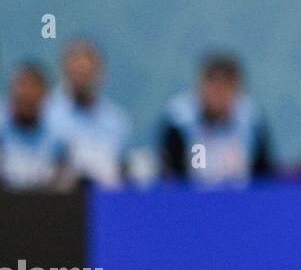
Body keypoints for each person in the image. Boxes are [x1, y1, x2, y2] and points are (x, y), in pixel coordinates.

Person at [160, 54, 273, 186]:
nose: (219, 92)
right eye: (213, 83)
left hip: (241, 201)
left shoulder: (252, 121)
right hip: (192, 201)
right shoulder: (180, 121)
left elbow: (264, 177)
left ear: (238, 89)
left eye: (226, 85)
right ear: (200, 87)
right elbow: (172, 176)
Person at [45, 39, 132, 187]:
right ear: (64, 72)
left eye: (87, 72)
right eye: (77, 71)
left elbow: (123, 170)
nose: (82, 78)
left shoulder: (117, 120)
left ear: (101, 74)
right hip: (58, 202)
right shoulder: (47, 115)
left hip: (106, 201)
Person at [0, 62, 70, 189]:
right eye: (22, 88)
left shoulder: (58, 138)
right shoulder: (3, 131)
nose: (27, 95)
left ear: (45, 96)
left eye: (33, 90)